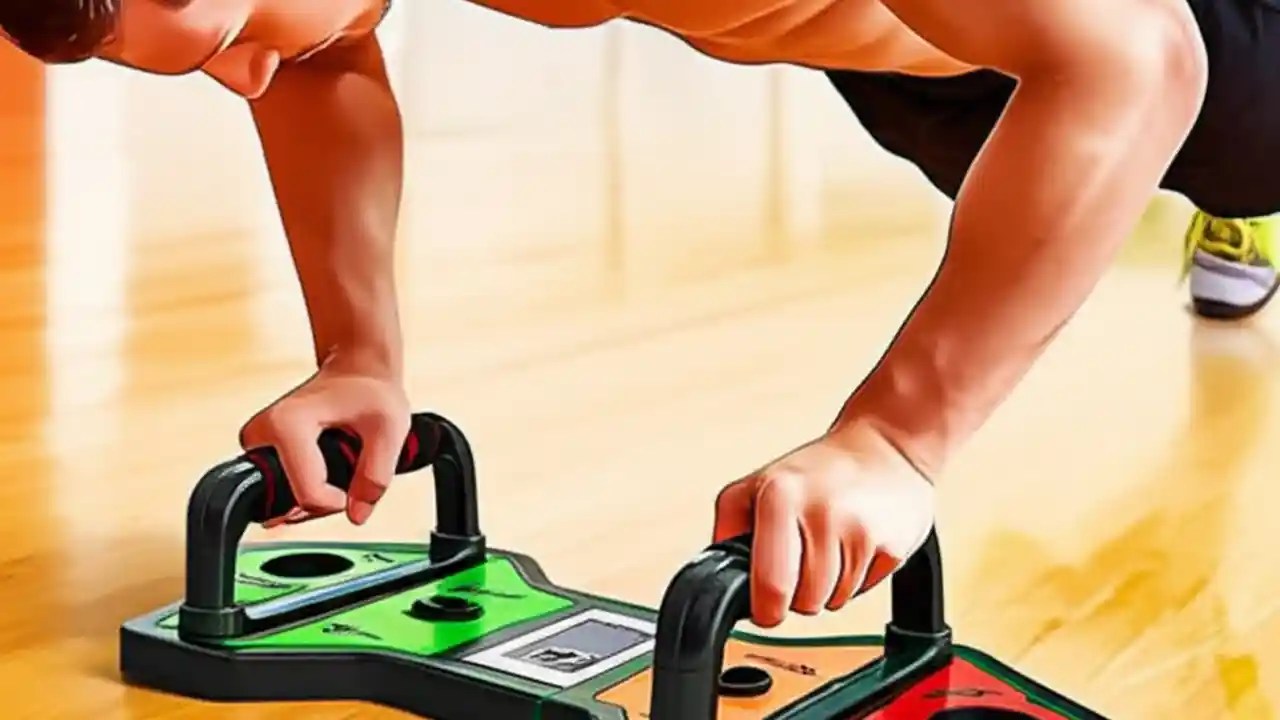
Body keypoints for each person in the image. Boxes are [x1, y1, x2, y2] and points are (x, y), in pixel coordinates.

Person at [0, 0, 1247, 630]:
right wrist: (357, 353)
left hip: (1183, 35)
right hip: (915, 73)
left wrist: (893, 439)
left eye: (227, 31)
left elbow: (1136, 57)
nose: (240, 74)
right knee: (1041, 145)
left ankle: (1231, 204)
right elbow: (318, 51)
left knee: (1201, 133)